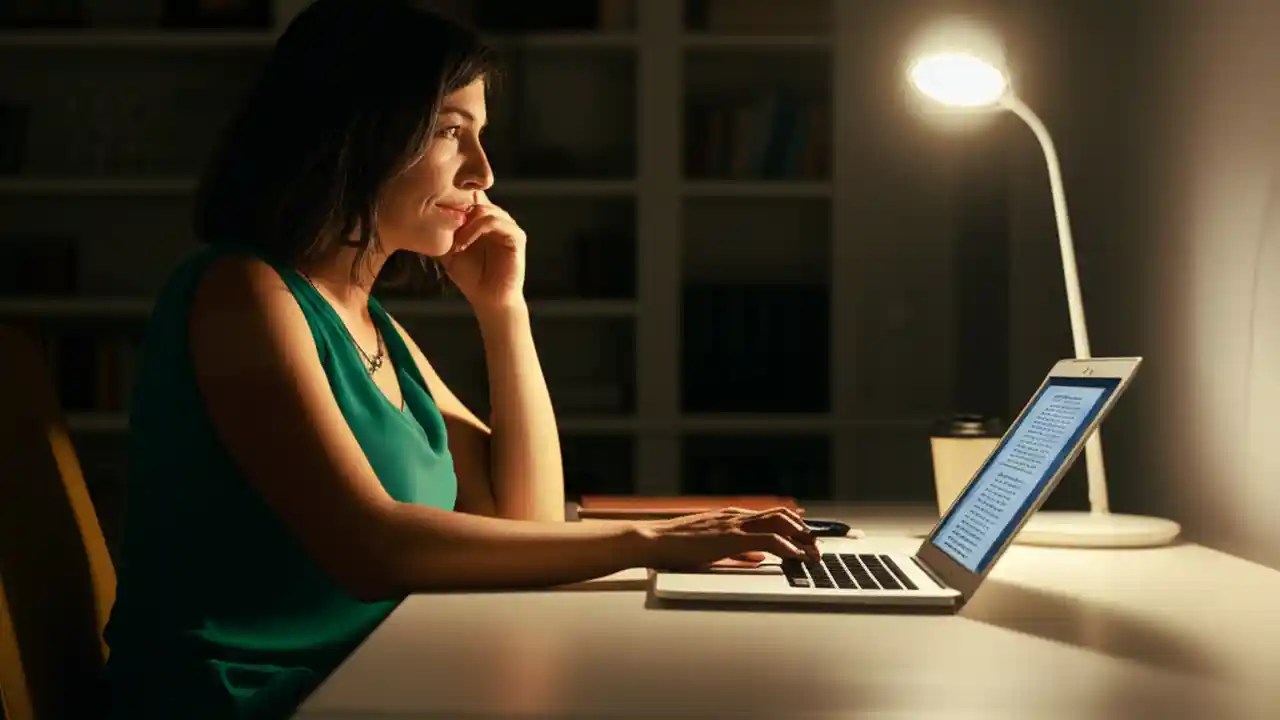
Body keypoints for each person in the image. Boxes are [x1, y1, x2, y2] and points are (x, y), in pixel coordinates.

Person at [102, 1, 819, 717]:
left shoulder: (372, 323)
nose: (484, 172)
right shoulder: (242, 292)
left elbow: (526, 522)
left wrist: (505, 313)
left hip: (365, 675)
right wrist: (645, 541)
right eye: (451, 132)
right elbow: (371, 549)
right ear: (357, 134)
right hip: (252, 697)